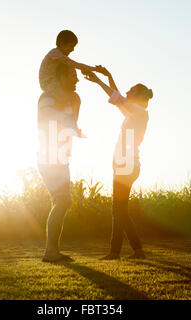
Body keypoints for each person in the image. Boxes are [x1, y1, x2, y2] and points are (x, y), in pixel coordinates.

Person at [84, 66, 154, 260]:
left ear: (138, 96)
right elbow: (118, 99)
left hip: (126, 164)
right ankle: (130, 250)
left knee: (119, 211)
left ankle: (121, 251)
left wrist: (100, 81)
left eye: (131, 90)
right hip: (124, 164)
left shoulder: (139, 113)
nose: (127, 92)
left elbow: (117, 97)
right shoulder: (133, 112)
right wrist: (108, 77)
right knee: (120, 210)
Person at [37, 63, 83, 262]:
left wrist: (75, 104)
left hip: (61, 156)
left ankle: (52, 250)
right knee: (62, 200)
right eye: (73, 75)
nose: (77, 79)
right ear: (62, 76)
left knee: (62, 201)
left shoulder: (69, 99)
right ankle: (50, 251)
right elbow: (47, 119)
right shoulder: (48, 96)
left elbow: (73, 126)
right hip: (50, 155)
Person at [39, 30, 96, 94]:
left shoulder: (61, 57)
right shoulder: (55, 53)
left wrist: (84, 69)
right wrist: (94, 69)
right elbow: (74, 64)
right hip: (48, 82)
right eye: (71, 46)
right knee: (63, 97)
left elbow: (73, 65)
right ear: (62, 44)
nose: (72, 49)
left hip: (53, 82)